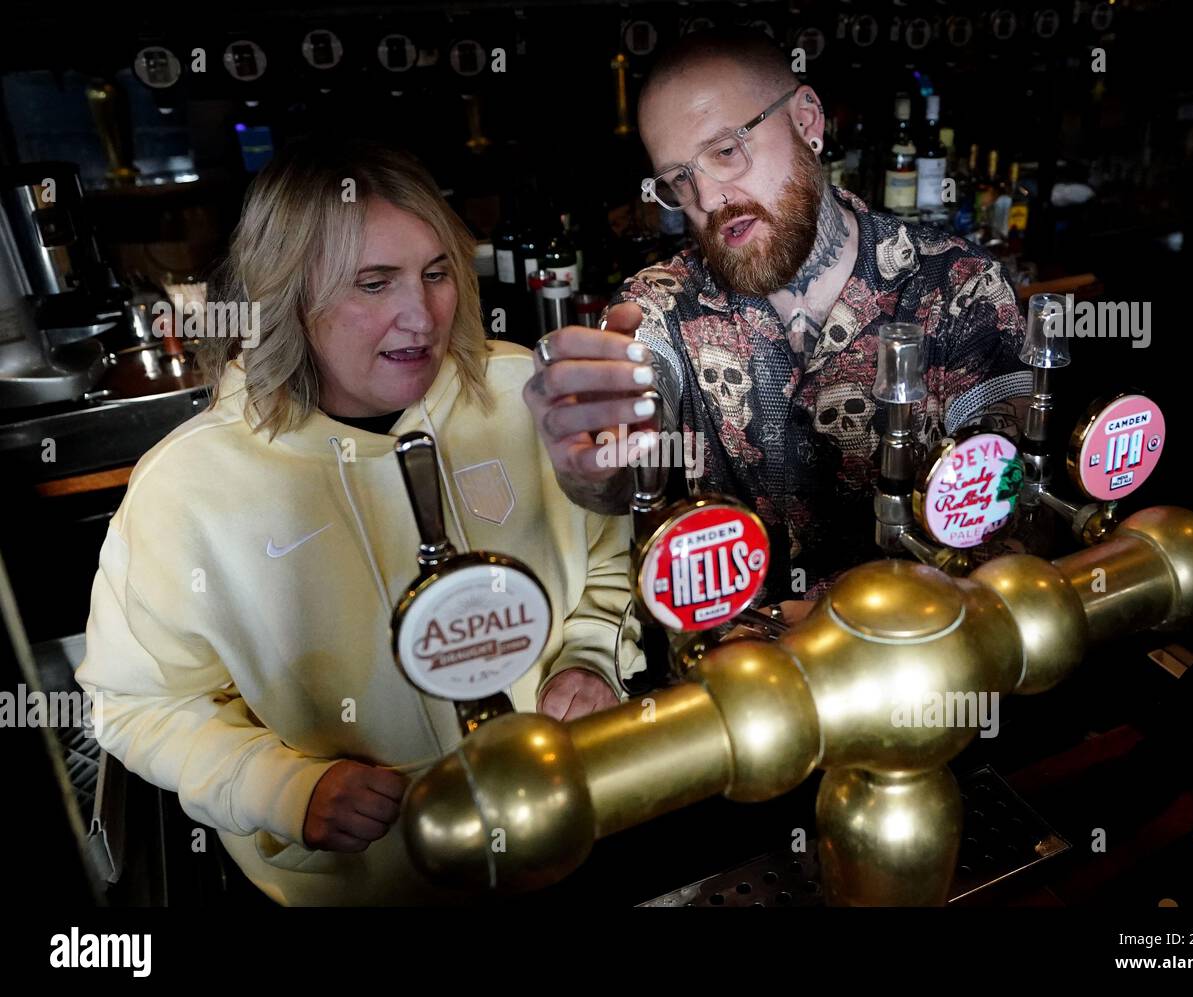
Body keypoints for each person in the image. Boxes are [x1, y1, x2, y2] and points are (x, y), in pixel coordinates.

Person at [76, 139, 628, 906]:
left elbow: (613, 558)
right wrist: (286, 789)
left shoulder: (522, 397)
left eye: (436, 273)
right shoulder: (188, 486)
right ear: (285, 298)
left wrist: (591, 661)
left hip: (567, 825)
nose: (422, 314)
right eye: (374, 283)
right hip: (363, 886)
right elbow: (138, 703)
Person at [524, 28, 1033, 616]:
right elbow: (623, 461)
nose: (709, 198)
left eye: (724, 152)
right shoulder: (659, 305)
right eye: (678, 180)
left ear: (807, 121)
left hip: (922, 656)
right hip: (743, 684)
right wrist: (588, 459)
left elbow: (1009, 508)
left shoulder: (958, 286)